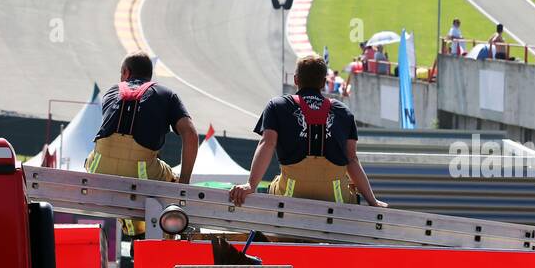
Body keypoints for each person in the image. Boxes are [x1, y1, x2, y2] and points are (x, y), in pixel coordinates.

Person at [230, 55, 385, 207]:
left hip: (289, 198)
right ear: (324, 83)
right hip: (336, 200)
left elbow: (268, 143)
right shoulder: (343, 111)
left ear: (296, 80)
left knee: (274, 184)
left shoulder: (277, 105)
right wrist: (372, 200)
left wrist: (250, 185)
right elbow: (352, 159)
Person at [85, 52, 198, 184]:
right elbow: (191, 135)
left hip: (99, 167)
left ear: (126, 72)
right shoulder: (167, 95)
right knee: (171, 175)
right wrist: (183, 182)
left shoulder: (111, 91)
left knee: (89, 160)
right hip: (141, 173)